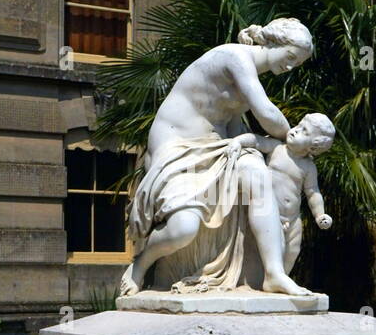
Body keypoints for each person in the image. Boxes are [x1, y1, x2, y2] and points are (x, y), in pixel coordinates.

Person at [120, 18, 315, 296]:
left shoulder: (249, 78)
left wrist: (253, 151)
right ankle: (140, 265)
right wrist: (293, 138)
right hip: (178, 147)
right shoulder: (234, 57)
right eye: (291, 56)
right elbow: (268, 114)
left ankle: (274, 273)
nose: (290, 66)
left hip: (216, 147)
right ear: (273, 42)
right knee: (183, 229)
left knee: (255, 171)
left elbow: (234, 129)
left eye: (297, 63)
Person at [232, 113, 335, 273]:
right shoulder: (277, 148)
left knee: (292, 251)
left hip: (293, 219)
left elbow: (313, 192)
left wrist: (320, 215)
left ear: (313, 147)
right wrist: (238, 141)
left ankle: (283, 279)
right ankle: (272, 277)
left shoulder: (308, 167)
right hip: (270, 213)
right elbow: (256, 140)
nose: (295, 130)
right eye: (298, 125)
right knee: (274, 247)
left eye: (304, 131)